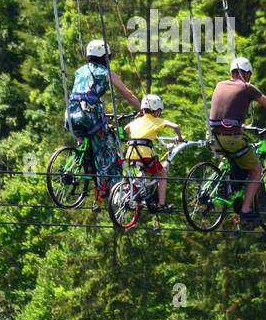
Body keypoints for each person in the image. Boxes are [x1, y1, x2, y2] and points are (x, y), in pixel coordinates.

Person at [208, 56, 266, 226]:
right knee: (256, 170)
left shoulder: (219, 85)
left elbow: (225, 113)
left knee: (237, 158)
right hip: (232, 139)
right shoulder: (247, 88)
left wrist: (239, 126)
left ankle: (231, 188)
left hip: (214, 137)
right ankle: (245, 211)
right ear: (246, 73)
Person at [65, 39, 140, 199]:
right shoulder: (106, 73)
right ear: (105, 56)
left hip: (71, 114)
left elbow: (84, 93)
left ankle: (85, 165)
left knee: (90, 143)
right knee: (109, 144)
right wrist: (142, 108)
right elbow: (127, 94)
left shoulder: (80, 71)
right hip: (89, 116)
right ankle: (108, 185)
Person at [123, 93, 183, 212]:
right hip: (145, 154)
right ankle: (161, 204)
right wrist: (180, 137)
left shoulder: (137, 121)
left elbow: (126, 128)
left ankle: (132, 186)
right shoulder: (157, 120)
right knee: (162, 173)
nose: (159, 113)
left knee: (146, 171)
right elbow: (176, 126)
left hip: (130, 153)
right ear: (156, 110)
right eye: (159, 111)